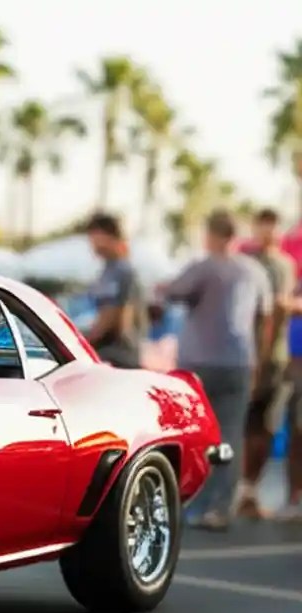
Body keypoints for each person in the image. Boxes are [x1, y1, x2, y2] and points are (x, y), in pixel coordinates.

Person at [161, 210, 271, 531]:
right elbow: (263, 318)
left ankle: (188, 501)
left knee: (192, 432)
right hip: (238, 362)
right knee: (229, 436)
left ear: (212, 235)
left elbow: (171, 292)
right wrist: (258, 361)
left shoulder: (204, 267)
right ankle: (221, 507)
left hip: (199, 364)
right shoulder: (254, 271)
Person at [236, 208, 297, 519]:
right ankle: (236, 491)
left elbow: (282, 307)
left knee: (266, 425)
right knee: (241, 425)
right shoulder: (245, 264)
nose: (267, 233)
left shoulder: (286, 264)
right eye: (262, 226)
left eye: (272, 227)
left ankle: (249, 489)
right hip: (246, 355)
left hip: (276, 357)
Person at [84, 212, 147, 368]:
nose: (91, 243)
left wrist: (81, 343)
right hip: (116, 354)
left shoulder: (120, 270)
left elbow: (110, 316)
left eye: (94, 236)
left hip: (117, 356)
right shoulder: (112, 269)